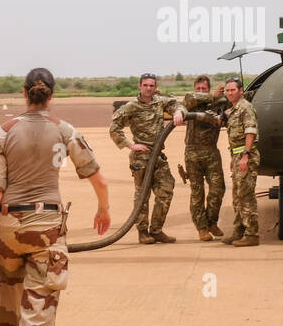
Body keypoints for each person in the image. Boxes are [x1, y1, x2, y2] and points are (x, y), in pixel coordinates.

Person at [0, 68, 110, 326]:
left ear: (24, 93)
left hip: (7, 226)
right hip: (46, 228)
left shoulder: (3, 132)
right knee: (39, 311)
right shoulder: (64, 130)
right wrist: (103, 209)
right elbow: (98, 178)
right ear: (51, 95)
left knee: (9, 299)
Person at [109, 74, 185, 243]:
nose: (148, 88)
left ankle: (157, 230)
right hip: (141, 157)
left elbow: (178, 104)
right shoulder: (131, 106)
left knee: (166, 190)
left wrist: (179, 111)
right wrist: (130, 145)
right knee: (142, 195)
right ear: (139, 86)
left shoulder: (160, 102)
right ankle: (143, 232)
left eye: (152, 85)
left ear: (155, 87)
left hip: (158, 156)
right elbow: (114, 128)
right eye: (145, 85)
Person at [182, 75, 226, 241]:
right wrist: (211, 96)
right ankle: (201, 228)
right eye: (198, 89)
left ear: (209, 88)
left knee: (218, 188)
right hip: (193, 153)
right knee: (197, 192)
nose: (200, 92)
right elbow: (188, 100)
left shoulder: (218, 103)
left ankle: (211, 221)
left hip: (211, 151)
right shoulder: (190, 101)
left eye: (204, 89)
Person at [221, 77, 261, 247]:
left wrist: (245, 155)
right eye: (227, 90)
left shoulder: (245, 108)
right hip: (237, 156)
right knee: (237, 197)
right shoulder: (234, 109)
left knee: (246, 196)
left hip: (246, 156)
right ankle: (238, 231)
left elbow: (250, 131)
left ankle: (252, 235)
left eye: (233, 90)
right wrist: (235, 157)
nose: (230, 93)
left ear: (241, 91)